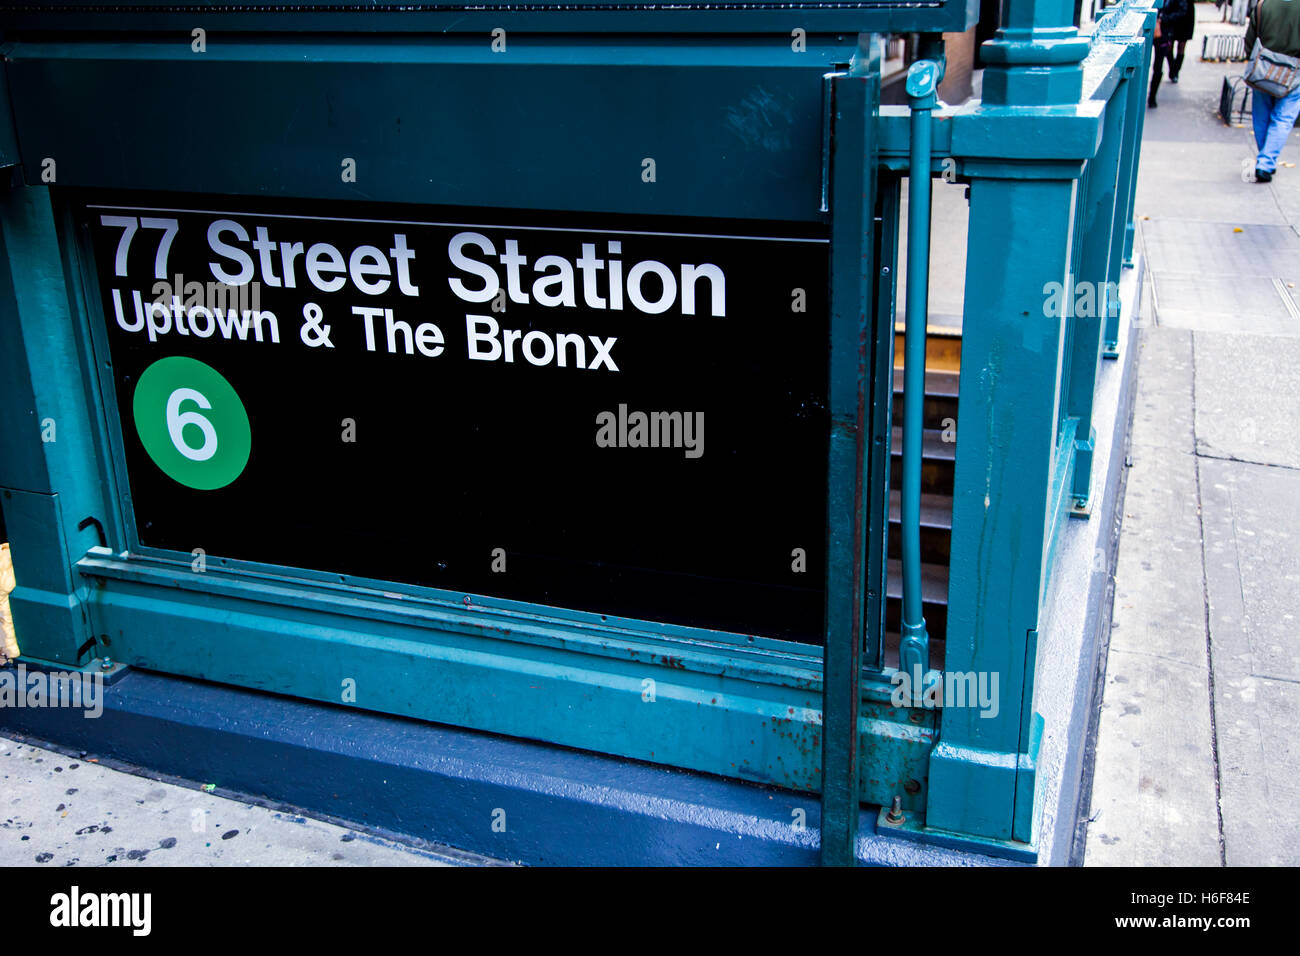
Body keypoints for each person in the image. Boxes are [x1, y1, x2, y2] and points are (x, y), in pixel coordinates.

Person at [1245, 0, 1300, 181]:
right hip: (1295, 71)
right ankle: (1266, 162)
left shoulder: (1263, 5)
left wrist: (1252, 61)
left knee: (1261, 116)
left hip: (1263, 68)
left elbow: (1250, 39)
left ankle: (1265, 159)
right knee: (1283, 118)